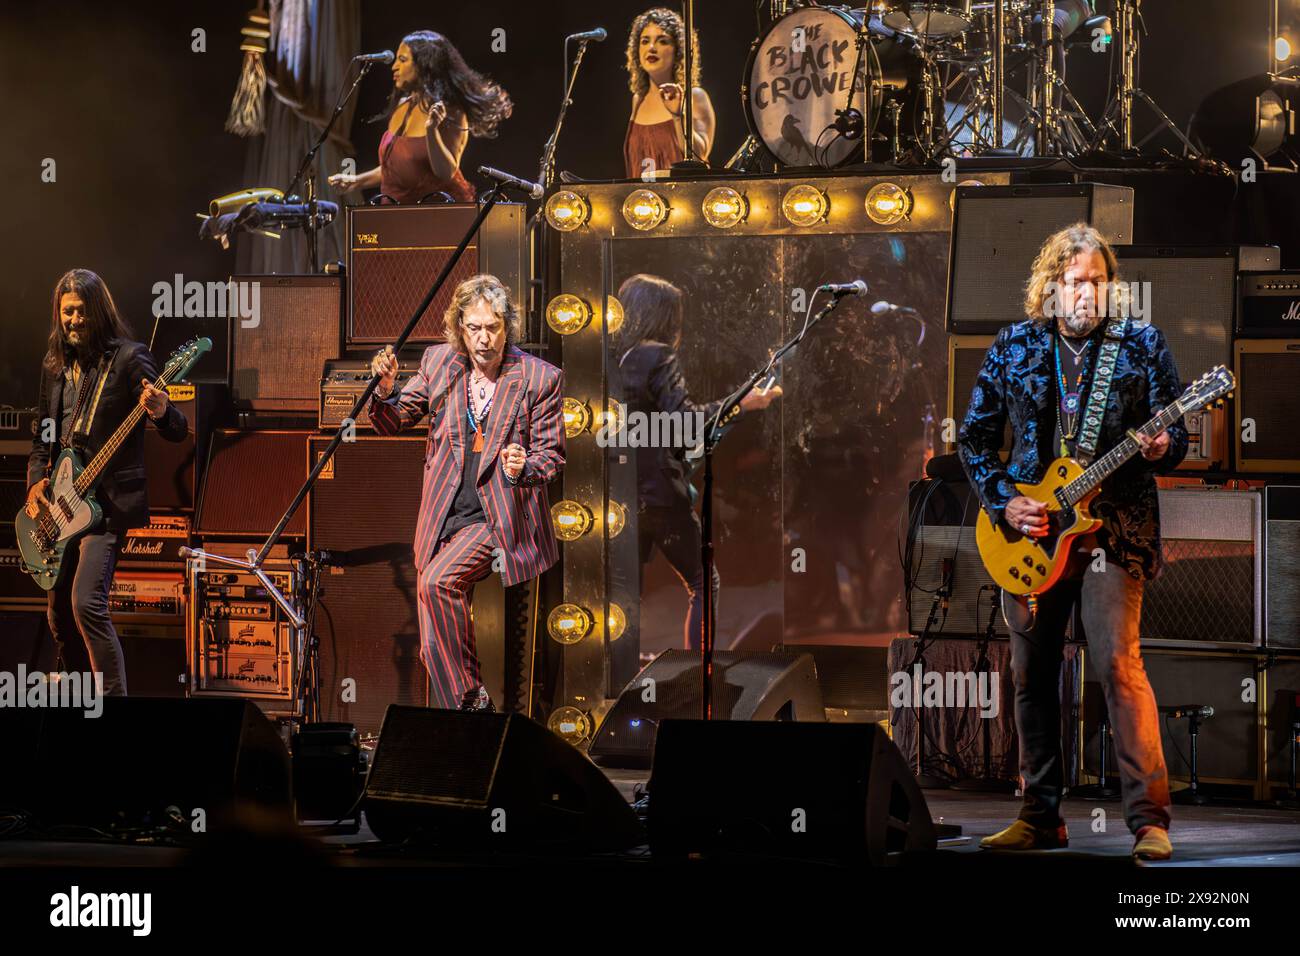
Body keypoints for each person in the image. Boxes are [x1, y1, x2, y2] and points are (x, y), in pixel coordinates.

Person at [958, 223, 1187, 861]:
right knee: (1030, 674)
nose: (1088, 294)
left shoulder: (1141, 345)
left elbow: (1179, 439)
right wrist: (1005, 500)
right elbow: (974, 440)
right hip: (1032, 534)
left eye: (1098, 282)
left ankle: (1148, 822)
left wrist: (1167, 445)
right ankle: (1039, 816)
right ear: (1052, 286)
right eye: (1076, 282)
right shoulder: (1015, 346)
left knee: (1118, 665)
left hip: (1113, 533)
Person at [368, 275, 563, 711]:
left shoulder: (538, 378)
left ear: (507, 326)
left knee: (439, 581)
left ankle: (475, 706)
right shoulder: (439, 364)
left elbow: (552, 457)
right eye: (473, 327)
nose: (483, 338)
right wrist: (383, 392)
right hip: (442, 517)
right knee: (432, 648)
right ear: (460, 327)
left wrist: (524, 465)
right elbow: (391, 421)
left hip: (497, 519)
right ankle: (466, 732)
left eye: (492, 327)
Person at [25, 269, 188, 695]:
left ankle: (114, 707)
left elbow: (177, 430)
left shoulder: (131, 359)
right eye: (66, 312)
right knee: (59, 613)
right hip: (61, 506)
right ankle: (81, 696)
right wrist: (34, 483)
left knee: (86, 603)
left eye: (80, 311)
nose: (73, 320)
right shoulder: (55, 366)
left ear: (97, 312)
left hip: (106, 505)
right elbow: (43, 434)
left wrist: (160, 410)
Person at [614, 274, 780, 650]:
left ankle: (620, 673)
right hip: (658, 492)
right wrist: (742, 402)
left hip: (620, 494)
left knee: (626, 594)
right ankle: (696, 673)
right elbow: (684, 420)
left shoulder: (611, 357)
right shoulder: (657, 354)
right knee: (704, 582)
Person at [329, 31, 511, 204]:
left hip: (436, 215)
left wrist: (431, 130)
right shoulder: (402, 105)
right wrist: (356, 181)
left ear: (425, 65)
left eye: (402, 60)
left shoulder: (451, 111)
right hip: (394, 213)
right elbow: (399, 170)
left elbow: (445, 172)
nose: (394, 66)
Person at [623, 8, 715, 179]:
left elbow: (699, 157)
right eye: (645, 41)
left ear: (678, 50)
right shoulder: (638, 100)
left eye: (662, 41)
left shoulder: (695, 96)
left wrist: (678, 116)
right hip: (641, 202)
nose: (651, 48)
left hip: (682, 201)